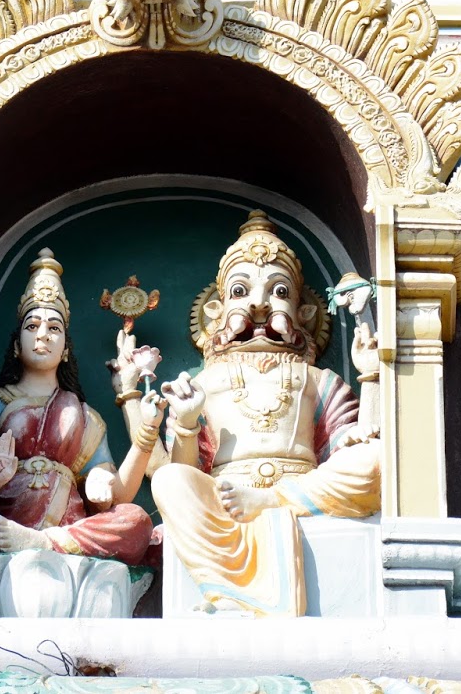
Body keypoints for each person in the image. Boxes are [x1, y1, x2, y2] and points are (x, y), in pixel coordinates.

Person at [151, 211, 381, 616]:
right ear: (216, 313)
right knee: (170, 480)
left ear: (304, 311)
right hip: (224, 497)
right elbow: (190, 468)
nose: (258, 304)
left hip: (303, 488)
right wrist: (186, 423)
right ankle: (228, 594)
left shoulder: (317, 380)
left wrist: (371, 374)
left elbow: (360, 442)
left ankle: (270, 500)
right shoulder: (202, 381)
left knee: (376, 460)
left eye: (277, 292)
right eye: (240, 292)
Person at [0, 248, 156, 563]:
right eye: (32, 326)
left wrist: (145, 434)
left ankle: (42, 541)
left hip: (68, 528)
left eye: (54, 328)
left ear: (65, 348)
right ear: (17, 344)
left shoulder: (84, 416)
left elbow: (115, 496)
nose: (43, 335)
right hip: (2, 522)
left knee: (135, 521)